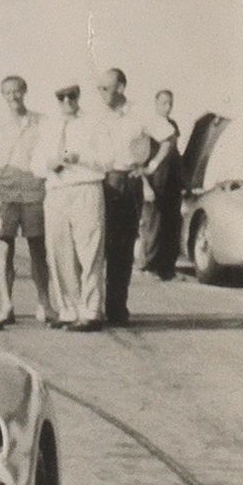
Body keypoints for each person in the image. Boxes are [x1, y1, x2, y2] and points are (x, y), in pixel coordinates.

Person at [34, 83, 109, 332]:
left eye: (72, 96)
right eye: (61, 97)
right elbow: (35, 163)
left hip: (85, 187)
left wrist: (81, 158)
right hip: (57, 190)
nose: (67, 101)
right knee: (59, 252)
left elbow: (108, 159)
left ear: (79, 96)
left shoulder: (93, 123)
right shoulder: (48, 126)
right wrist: (49, 163)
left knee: (89, 250)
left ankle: (91, 310)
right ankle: (68, 310)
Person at [0, 75, 54, 325]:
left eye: (17, 91)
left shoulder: (40, 121)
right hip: (6, 191)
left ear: (25, 90)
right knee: (5, 248)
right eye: (8, 92)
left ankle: (44, 303)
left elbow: (59, 146)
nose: (13, 96)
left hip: (33, 190)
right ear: (2, 95)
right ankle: (6, 304)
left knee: (37, 249)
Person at [90, 67, 150, 325]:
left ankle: (116, 308)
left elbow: (167, 138)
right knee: (95, 245)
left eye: (106, 88)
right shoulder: (96, 116)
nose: (101, 93)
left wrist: (149, 166)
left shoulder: (139, 113)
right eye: (99, 88)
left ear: (121, 88)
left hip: (126, 181)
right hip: (98, 181)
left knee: (121, 248)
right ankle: (91, 307)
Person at [140, 88, 184, 280]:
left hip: (172, 182)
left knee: (172, 224)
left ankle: (168, 269)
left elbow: (175, 152)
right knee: (153, 224)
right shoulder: (149, 125)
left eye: (170, 103)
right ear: (156, 104)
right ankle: (149, 266)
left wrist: (184, 179)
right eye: (164, 103)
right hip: (155, 182)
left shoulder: (172, 125)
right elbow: (141, 156)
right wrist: (145, 183)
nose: (167, 107)